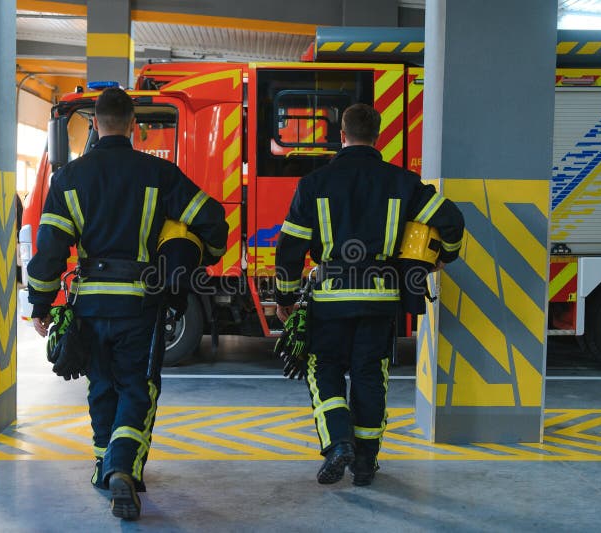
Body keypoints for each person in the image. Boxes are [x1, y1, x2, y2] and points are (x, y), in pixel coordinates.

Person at [27, 88, 228, 520]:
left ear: (95, 124)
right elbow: (212, 219)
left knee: (100, 384)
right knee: (138, 386)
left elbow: (48, 253)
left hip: (90, 305)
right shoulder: (161, 173)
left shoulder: (68, 179)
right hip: (142, 302)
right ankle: (122, 465)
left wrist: (40, 304)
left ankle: (106, 466)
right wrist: (194, 256)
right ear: (134, 126)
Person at [274, 103, 464, 486]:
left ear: (341, 135)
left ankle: (337, 441)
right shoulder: (402, 182)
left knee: (323, 368)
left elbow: (290, 247)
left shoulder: (314, 183)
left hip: (329, 297)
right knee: (369, 375)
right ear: (378, 136)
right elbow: (452, 220)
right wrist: (444, 256)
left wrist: (285, 297)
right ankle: (365, 464)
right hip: (380, 298)